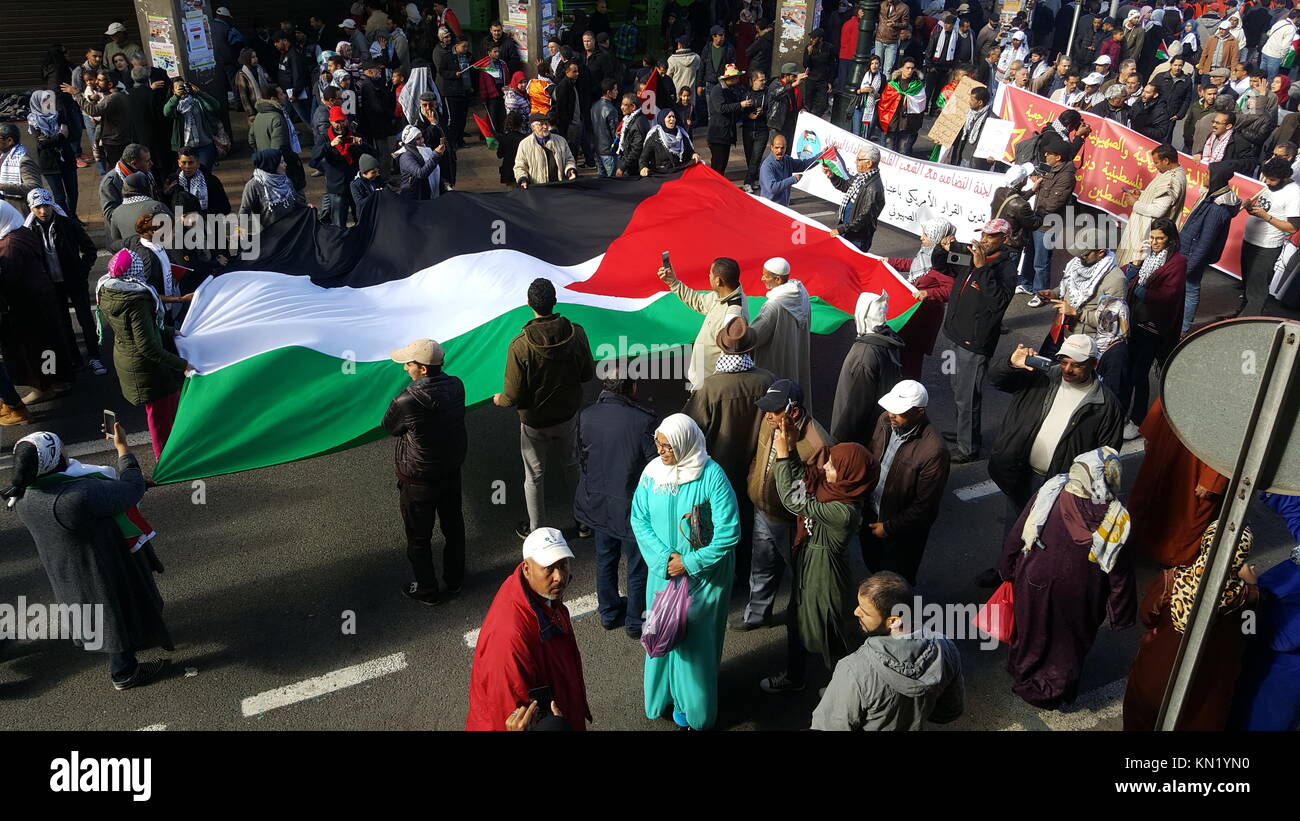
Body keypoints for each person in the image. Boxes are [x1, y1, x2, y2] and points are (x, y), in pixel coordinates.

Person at [2, 426, 171, 689]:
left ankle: (129, 654)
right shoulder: (76, 497)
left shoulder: (24, 493)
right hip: (102, 566)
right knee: (115, 612)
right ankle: (125, 673)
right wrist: (123, 448)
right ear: (55, 458)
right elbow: (131, 488)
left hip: (67, 569)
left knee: (98, 614)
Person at [978, 335, 1126, 587]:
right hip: (1020, 471)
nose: (1067, 369)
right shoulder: (1041, 375)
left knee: (1045, 534)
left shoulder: (1106, 405)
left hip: (1060, 485)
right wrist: (1012, 363)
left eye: (1076, 364)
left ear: (1093, 364)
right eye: (1064, 361)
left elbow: (1106, 456)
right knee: (1014, 528)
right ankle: (1005, 573)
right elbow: (997, 379)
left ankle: (1031, 579)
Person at [999, 446, 1136, 709]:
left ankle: (1022, 675)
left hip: (1034, 579)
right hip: (1083, 592)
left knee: (1030, 630)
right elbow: (1120, 572)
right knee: (1068, 644)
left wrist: (1007, 568)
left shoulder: (1051, 491)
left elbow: (1019, 532)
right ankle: (1054, 691)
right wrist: (1121, 613)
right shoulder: (1117, 518)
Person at [630, 413, 740, 730]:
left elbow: (729, 533)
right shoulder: (652, 473)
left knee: (694, 647)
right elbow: (639, 518)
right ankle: (666, 697)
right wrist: (665, 560)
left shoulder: (712, 477)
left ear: (685, 444)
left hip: (703, 579)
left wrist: (688, 563)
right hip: (662, 573)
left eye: (667, 447)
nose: (661, 452)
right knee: (661, 633)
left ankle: (695, 714)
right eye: (658, 445)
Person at [759, 433, 876, 694]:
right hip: (809, 565)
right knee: (797, 622)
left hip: (824, 576)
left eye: (832, 465)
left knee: (829, 632)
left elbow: (795, 500)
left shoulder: (843, 513)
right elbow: (804, 478)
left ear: (848, 474)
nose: (825, 467)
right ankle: (795, 676)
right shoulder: (833, 487)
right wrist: (790, 452)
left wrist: (781, 456)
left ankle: (845, 689)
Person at [1123, 521, 1257, 730]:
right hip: (1210, 683)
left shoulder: (1172, 581)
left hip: (1158, 672)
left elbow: (1148, 616)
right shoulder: (1248, 598)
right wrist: (1252, 584)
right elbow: (1249, 633)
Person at [492, 278, 595, 539]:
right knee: (572, 465)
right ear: (555, 302)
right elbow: (586, 375)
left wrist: (499, 399)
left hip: (535, 423)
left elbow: (513, 395)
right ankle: (583, 522)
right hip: (567, 416)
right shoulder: (577, 333)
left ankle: (537, 530)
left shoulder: (520, 345)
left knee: (534, 476)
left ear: (529, 305)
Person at [465, 528, 592, 730]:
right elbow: (510, 717)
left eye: (563, 564)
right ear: (526, 569)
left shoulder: (539, 596)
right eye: (549, 568)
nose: (559, 576)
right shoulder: (509, 638)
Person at [811, 572, 964, 730]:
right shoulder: (946, 647)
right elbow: (951, 710)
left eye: (865, 611)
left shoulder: (854, 671)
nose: (856, 612)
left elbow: (827, 726)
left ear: (893, 621)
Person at [737, 379, 832, 630]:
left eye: (774, 409)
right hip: (763, 511)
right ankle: (756, 616)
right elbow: (758, 458)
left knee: (800, 576)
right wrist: (752, 479)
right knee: (761, 567)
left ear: (795, 411)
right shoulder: (771, 421)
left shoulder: (818, 444)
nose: (767, 415)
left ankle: (802, 626)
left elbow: (818, 493)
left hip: (792, 522)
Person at [381, 337, 466, 605]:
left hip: (418, 479)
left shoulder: (406, 399)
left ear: (423, 369)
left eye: (409, 363)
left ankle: (427, 589)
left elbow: (390, 427)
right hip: (451, 471)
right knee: (454, 526)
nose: (405, 367)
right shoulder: (457, 386)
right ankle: (454, 580)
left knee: (419, 537)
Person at [574, 373, 657, 638]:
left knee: (605, 558)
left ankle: (608, 612)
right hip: (631, 505)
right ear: (631, 388)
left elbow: (581, 456)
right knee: (637, 565)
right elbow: (654, 465)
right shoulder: (643, 421)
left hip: (597, 503)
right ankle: (635, 621)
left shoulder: (587, 415)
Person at [95, 249, 190, 458]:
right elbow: (147, 346)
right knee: (161, 418)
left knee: (161, 414)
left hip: (127, 358)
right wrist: (183, 365)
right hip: (147, 369)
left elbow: (134, 330)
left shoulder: (107, 289)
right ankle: (164, 460)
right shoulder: (136, 299)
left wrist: (168, 330)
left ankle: (170, 453)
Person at [859, 380, 951, 586]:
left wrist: (889, 527)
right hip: (871, 514)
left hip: (900, 532)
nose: (891, 413)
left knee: (896, 582)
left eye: (899, 411)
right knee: (873, 565)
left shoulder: (934, 451)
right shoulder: (885, 420)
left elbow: (925, 507)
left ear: (919, 411)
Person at [942, 219, 1017, 464]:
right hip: (954, 337)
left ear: (1004, 240)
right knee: (956, 389)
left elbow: (998, 304)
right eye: (983, 234)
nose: (984, 240)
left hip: (973, 343)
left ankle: (968, 447)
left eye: (991, 237)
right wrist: (942, 249)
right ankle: (964, 431)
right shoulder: (974, 255)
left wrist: (982, 268)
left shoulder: (1005, 269)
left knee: (968, 396)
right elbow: (945, 268)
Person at [0, 201, 72, 406]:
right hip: (42, 299)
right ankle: (59, 382)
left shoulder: (9, 246)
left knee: (36, 350)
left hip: (26, 307)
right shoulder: (21, 232)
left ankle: (45, 386)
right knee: (50, 345)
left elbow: (8, 282)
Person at [24, 188, 102, 376]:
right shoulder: (28, 232)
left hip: (75, 281)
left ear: (52, 205)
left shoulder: (68, 224)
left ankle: (94, 357)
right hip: (51, 285)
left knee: (86, 320)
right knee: (63, 322)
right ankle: (75, 358)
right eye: (38, 207)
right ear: (31, 209)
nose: (43, 211)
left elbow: (89, 249)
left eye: (46, 206)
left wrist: (82, 272)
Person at [657, 255, 746, 390]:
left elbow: (728, 362)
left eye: (710, 274)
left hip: (709, 386)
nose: (708, 276)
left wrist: (707, 391)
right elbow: (698, 301)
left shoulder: (732, 316)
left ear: (718, 281)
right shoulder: (725, 294)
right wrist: (673, 283)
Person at [829, 290, 903, 448]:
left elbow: (857, 407)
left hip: (857, 440)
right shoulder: (888, 339)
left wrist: (838, 441)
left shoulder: (864, 355)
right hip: (877, 428)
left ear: (862, 316)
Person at [1178, 162, 1240, 333]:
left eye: (1207, 174)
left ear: (1216, 178)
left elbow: (1205, 242)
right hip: (1187, 250)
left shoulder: (1217, 208)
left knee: (1191, 288)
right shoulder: (1211, 196)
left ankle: (1183, 329)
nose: (1203, 176)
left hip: (1192, 255)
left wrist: (1190, 266)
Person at [1239, 157, 1300, 317]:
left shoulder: (1294, 194)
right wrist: (1250, 208)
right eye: (1266, 178)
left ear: (1285, 177)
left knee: (1257, 288)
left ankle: (1248, 322)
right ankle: (1241, 314)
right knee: (1247, 283)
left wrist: (1266, 217)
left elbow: (1292, 227)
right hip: (1250, 239)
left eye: (1272, 179)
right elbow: (1265, 209)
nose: (1267, 182)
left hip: (1267, 246)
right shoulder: (1270, 186)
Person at [749, 256, 812, 401]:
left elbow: (754, 336)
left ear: (778, 279)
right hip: (795, 355)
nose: (762, 279)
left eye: (765, 276)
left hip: (776, 363)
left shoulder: (774, 305)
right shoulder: (802, 293)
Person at [1116, 144, 1186, 267]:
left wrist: (1135, 203)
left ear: (1166, 161)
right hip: (1145, 230)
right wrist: (1142, 194)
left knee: (1133, 267)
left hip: (1147, 233)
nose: (1155, 166)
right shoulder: (1170, 172)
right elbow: (1157, 197)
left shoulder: (1171, 180)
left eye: (1157, 162)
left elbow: (1159, 210)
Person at [312, 106, 373, 226]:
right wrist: (330, 145)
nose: (340, 125)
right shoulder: (324, 138)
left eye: (342, 121)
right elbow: (314, 156)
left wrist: (361, 145)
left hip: (356, 186)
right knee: (339, 223)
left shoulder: (355, 135)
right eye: (337, 122)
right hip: (337, 188)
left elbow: (373, 155)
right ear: (330, 121)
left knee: (362, 220)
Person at [26, 90, 78, 216]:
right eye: (45, 101)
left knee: (73, 192)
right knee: (59, 196)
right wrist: (59, 136)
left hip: (66, 158)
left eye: (50, 101)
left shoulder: (59, 115)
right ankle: (65, 220)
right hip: (49, 163)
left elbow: (70, 135)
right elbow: (41, 144)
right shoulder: (33, 121)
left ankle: (72, 216)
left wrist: (52, 139)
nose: (49, 104)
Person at [825, 145, 885, 252]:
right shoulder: (861, 177)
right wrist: (832, 176)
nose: (855, 162)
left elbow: (864, 218)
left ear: (869, 163)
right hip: (848, 230)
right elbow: (846, 186)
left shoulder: (873, 188)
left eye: (859, 160)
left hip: (856, 238)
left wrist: (842, 229)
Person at [250, 85, 306, 193]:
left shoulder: (259, 116)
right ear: (273, 99)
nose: (284, 96)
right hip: (280, 168)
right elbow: (279, 147)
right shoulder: (277, 117)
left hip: (266, 164)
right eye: (281, 94)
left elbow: (251, 140)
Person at [161, 78, 221, 174]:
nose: (182, 89)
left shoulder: (197, 100)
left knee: (205, 173)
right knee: (188, 173)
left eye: (183, 86)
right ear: (173, 90)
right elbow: (166, 112)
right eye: (178, 87)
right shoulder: (174, 104)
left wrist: (199, 93)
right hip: (186, 147)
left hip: (204, 144)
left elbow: (215, 106)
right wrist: (176, 96)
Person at [240, 148, 308, 227]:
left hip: (290, 227)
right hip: (270, 233)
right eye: (281, 162)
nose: (285, 164)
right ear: (271, 165)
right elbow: (245, 209)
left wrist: (305, 206)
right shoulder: (254, 186)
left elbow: (295, 200)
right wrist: (239, 229)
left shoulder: (285, 179)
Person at [513, 113, 578, 187]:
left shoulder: (561, 141)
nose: (545, 127)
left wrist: (570, 170)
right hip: (538, 189)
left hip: (559, 186)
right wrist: (523, 179)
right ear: (533, 127)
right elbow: (520, 166)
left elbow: (569, 159)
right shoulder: (524, 145)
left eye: (546, 123)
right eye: (541, 124)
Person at [164, 147, 232, 217]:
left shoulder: (211, 181)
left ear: (198, 163)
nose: (187, 167)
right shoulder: (172, 181)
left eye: (191, 163)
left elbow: (225, 208)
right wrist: (166, 194)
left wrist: (199, 215)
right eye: (184, 163)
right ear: (179, 163)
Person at [638, 108, 700, 175]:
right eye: (669, 117)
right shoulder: (654, 137)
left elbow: (690, 151)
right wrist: (643, 167)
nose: (672, 119)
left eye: (673, 117)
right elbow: (644, 158)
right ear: (662, 119)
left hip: (680, 171)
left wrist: (694, 154)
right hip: (662, 174)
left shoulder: (681, 134)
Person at [757, 134, 812, 206]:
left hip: (783, 207)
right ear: (772, 148)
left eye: (782, 148)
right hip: (769, 208)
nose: (779, 151)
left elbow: (804, 165)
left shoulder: (787, 159)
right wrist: (793, 179)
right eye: (777, 148)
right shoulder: (767, 166)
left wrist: (821, 155)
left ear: (786, 148)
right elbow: (772, 188)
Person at [392, 124, 441, 200]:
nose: (422, 140)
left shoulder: (424, 149)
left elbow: (432, 170)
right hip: (414, 197)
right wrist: (436, 155)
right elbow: (420, 173)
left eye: (422, 137)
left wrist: (442, 181)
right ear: (410, 141)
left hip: (424, 193)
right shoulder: (406, 156)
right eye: (418, 139)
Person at [0, 122, 42, 211]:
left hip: (20, 210)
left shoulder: (23, 160)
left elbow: (34, 187)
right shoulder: (4, 157)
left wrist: (2, 186)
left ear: (9, 141)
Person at [766, 63, 806, 148]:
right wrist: (793, 85)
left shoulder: (793, 87)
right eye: (793, 76)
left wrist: (803, 108)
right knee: (777, 149)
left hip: (790, 122)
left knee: (788, 149)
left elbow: (798, 101)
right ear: (786, 75)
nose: (795, 78)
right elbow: (776, 94)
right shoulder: (775, 84)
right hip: (778, 124)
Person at [613, 93, 648, 177]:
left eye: (625, 105)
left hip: (633, 170)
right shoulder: (630, 120)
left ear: (633, 107)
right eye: (622, 104)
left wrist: (622, 167)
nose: (621, 107)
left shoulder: (638, 123)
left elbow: (636, 150)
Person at [590, 79, 620, 178]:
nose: (617, 92)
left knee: (601, 181)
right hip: (609, 150)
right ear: (608, 92)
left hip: (597, 148)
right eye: (615, 90)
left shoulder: (594, 107)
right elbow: (615, 133)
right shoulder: (611, 110)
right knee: (612, 182)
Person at [875, 0, 911, 76]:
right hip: (879, 38)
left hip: (892, 41)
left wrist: (895, 24)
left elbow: (906, 24)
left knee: (888, 69)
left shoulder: (904, 7)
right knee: (877, 66)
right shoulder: (882, 3)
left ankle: (885, 86)